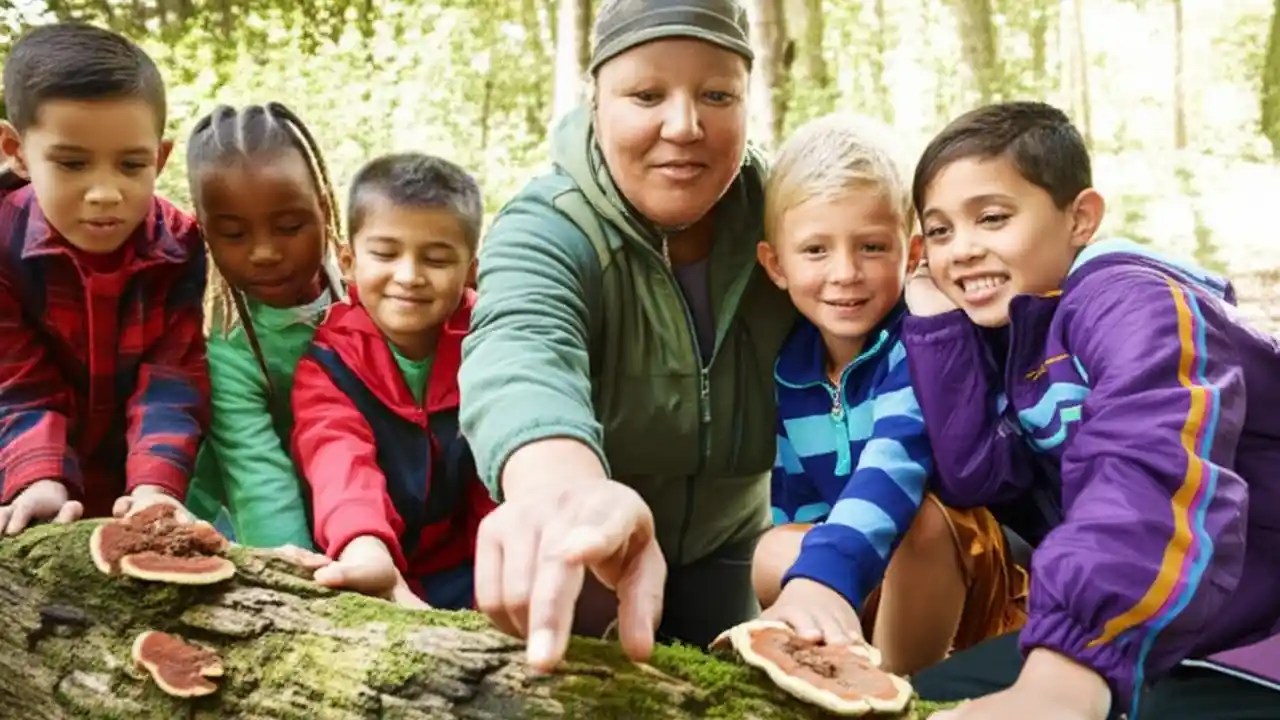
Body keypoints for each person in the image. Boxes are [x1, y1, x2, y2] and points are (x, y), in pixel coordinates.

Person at [902, 101, 1280, 720]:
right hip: (1150, 626)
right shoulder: (1018, 325)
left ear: (1080, 218)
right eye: (940, 232)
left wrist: (1070, 671)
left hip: (1255, 637)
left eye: (991, 218)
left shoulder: (1135, 303)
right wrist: (937, 326)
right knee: (931, 696)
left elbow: (1148, 461)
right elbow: (979, 474)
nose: (961, 250)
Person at [460, 0, 796, 671]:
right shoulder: (548, 228)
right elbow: (518, 352)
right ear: (596, 101)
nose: (684, 125)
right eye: (646, 94)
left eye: (717, 94)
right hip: (590, 558)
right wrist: (567, 490)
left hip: (742, 552)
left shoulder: (792, 217)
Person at [750, 115, 1027, 676]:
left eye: (872, 247)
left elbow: (894, 466)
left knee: (922, 522)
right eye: (816, 251)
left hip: (970, 581)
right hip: (860, 572)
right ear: (776, 265)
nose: (846, 273)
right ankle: (828, 673)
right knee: (772, 546)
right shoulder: (793, 368)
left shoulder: (924, 343)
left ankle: (900, 688)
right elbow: (798, 495)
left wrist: (824, 576)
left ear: (913, 252)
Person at [0, 22, 208, 534]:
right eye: (72, 163)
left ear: (159, 158)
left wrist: (156, 487)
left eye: (131, 165)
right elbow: (15, 382)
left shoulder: (180, 248)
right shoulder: (3, 244)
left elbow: (172, 378)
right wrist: (38, 477)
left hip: (127, 492)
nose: (105, 193)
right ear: (16, 150)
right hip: (17, 481)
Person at [291, 152, 496, 608]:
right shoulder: (329, 364)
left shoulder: (489, 347)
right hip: (371, 566)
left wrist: (499, 580)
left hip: (474, 568)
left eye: (437, 259)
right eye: (385, 253)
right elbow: (338, 460)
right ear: (347, 261)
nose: (409, 276)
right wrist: (364, 547)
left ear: (471, 271)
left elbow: (498, 480)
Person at [182, 103, 345, 551]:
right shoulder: (227, 346)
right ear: (205, 235)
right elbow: (258, 481)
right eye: (234, 234)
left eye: (289, 226)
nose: (265, 252)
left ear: (325, 208)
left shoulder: (363, 296)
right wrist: (302, 588)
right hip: (264, 531)